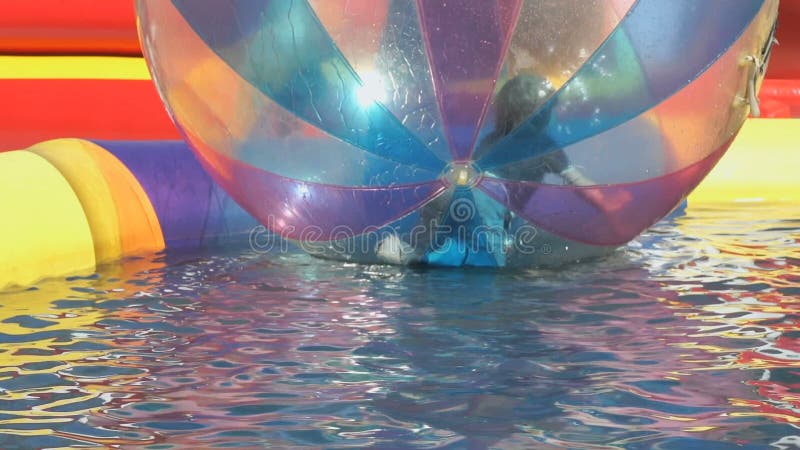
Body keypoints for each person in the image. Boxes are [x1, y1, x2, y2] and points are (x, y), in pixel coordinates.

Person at [376, 74, 606, 266]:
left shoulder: (492, 140)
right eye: (547, 111)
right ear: (538, 115)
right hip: (490, 197)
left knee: (429, 239)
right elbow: (579, 183)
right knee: (492, 263)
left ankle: (400, 250)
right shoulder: (544, 146)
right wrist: (610, 207)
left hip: (448, 184)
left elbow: (471, 172)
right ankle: (415, 256)